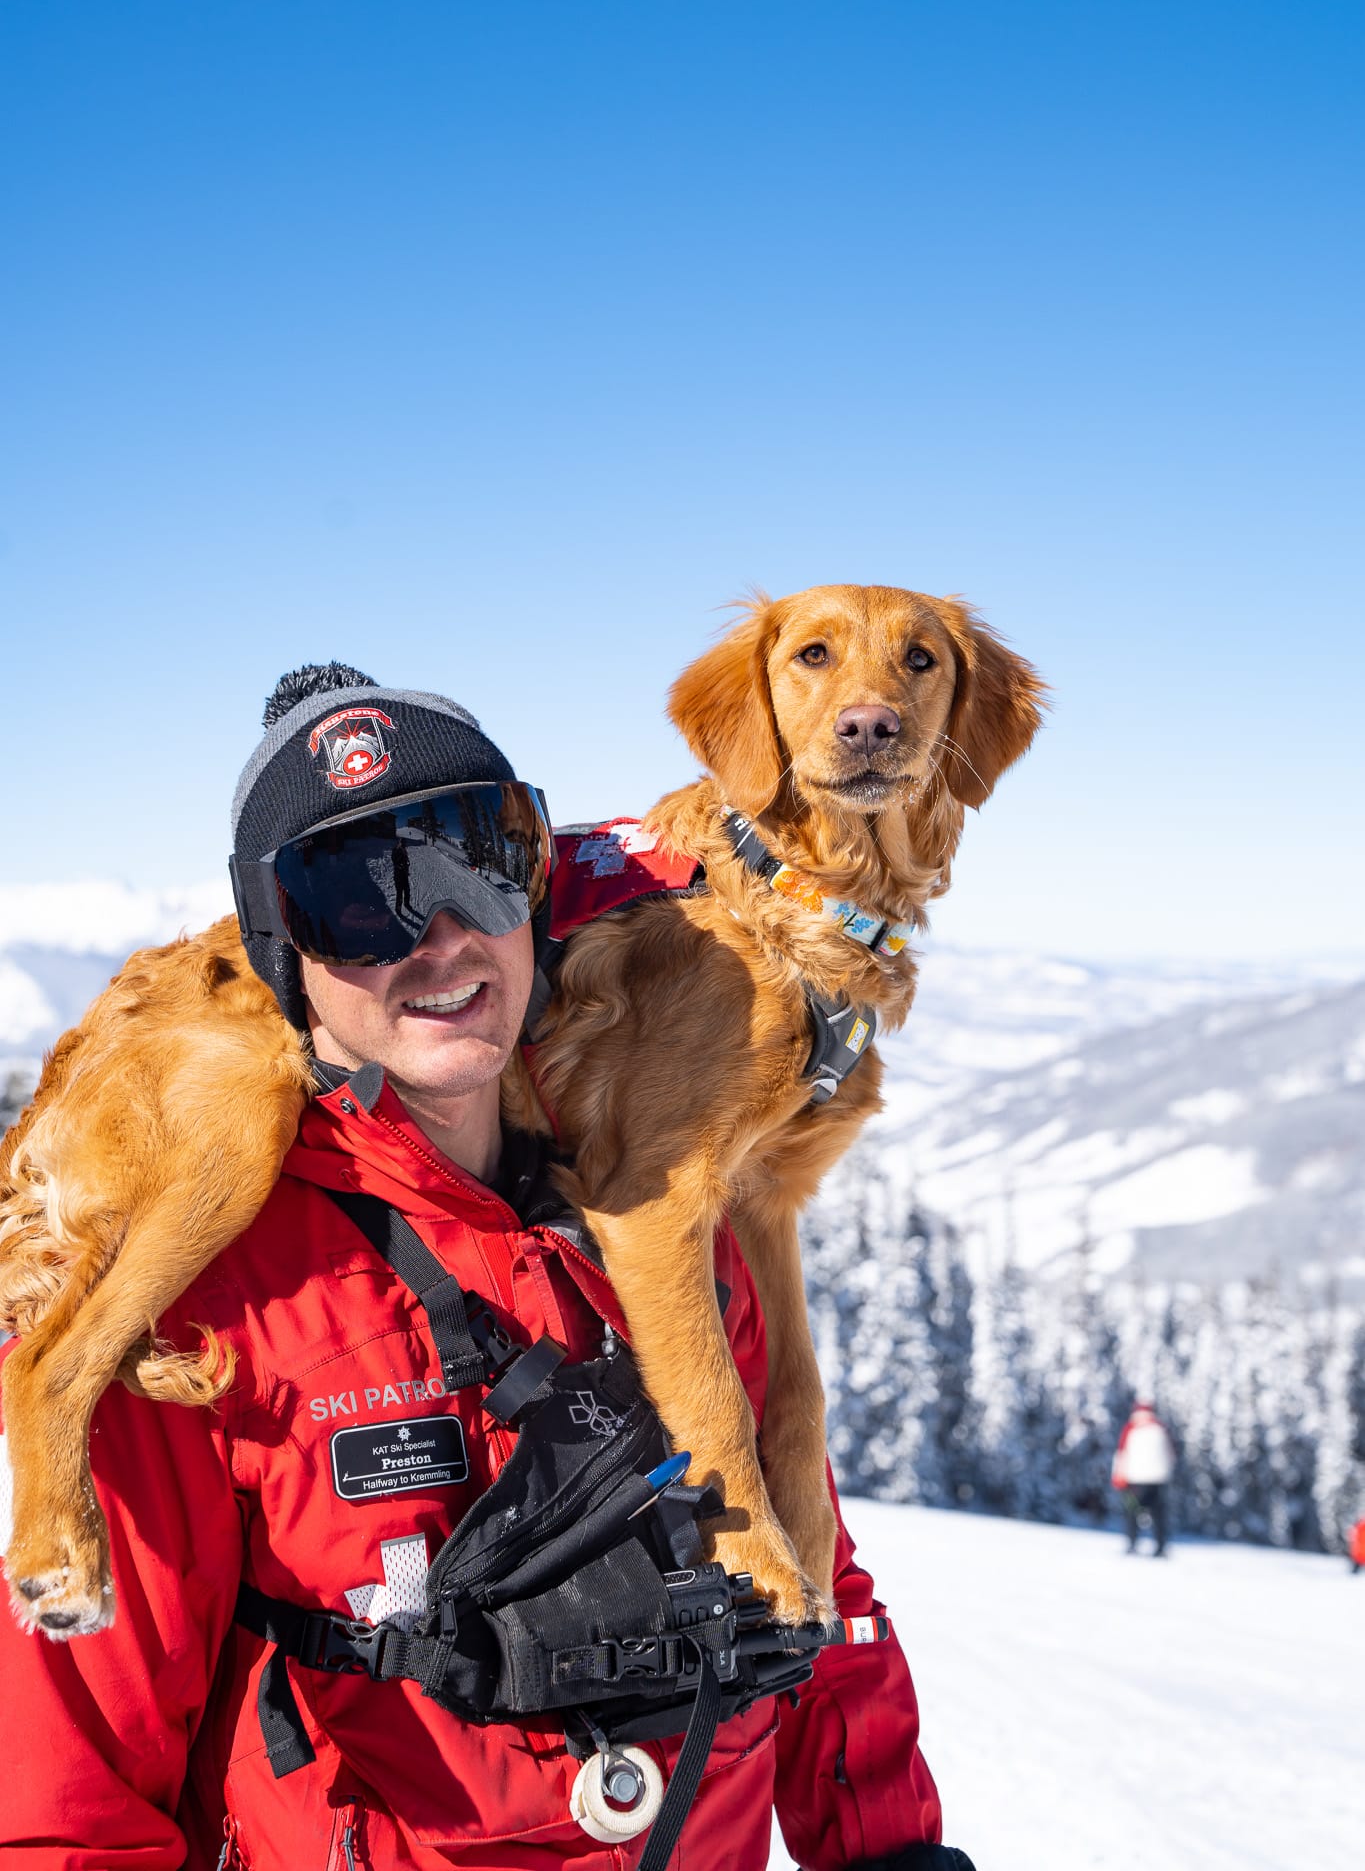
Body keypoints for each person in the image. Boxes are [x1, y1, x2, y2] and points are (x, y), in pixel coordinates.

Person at [0, 665, 974, 1871]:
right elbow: (72, 1786)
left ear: (537, 889)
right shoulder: (204, 1317)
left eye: (478, 862)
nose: (442, 938)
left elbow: (810, 1580)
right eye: (358, 902)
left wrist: (893, 1850)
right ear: (281, 955)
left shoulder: (665, 1208)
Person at [1111, 1398, 1176, 1557]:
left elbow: (1122, 1454)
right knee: (1158, 1514)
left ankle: (1132, 1544)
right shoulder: (1161, 1429)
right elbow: (1171, 1454)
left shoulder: (1131, 1428)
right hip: (1159, 1479)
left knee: (1132, 1512)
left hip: (1135, 1480)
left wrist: (1118, 1477)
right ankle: (1160, 1547)